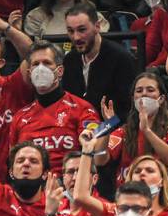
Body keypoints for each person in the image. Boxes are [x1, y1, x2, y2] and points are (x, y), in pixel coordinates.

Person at [7, 41, 101, 175]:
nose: (40, 68)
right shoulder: (19, 116)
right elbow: (13, 161)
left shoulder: (82, 109)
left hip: (70, 186)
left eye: (46, 63)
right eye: (35, 64)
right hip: (33, 189)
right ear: (29, 72)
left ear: (60, 70)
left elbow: (95, 155)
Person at [61, 2, 138, 119]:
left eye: (82, 30)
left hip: (111, 129)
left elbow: (128, 111)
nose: (76, 37)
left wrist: (104, 129)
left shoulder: (121, 59)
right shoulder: (69, 60)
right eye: (71, 31)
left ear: (97, 26)